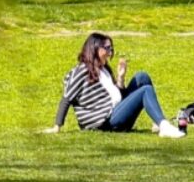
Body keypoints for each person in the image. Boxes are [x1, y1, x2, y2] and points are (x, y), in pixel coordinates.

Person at [47, 32, 182, 137]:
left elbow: (117, 97)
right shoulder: (81, 71)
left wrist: (120, 77)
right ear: (94, 48)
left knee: (142, 77)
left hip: (116, 113)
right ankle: (164, 126)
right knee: (145, 90)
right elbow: (66, 98)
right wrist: (57, 126)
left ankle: (158, 122)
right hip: (105, 122)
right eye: (107, 48)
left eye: (111, 49)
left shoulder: (104, 70)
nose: (110, 53)